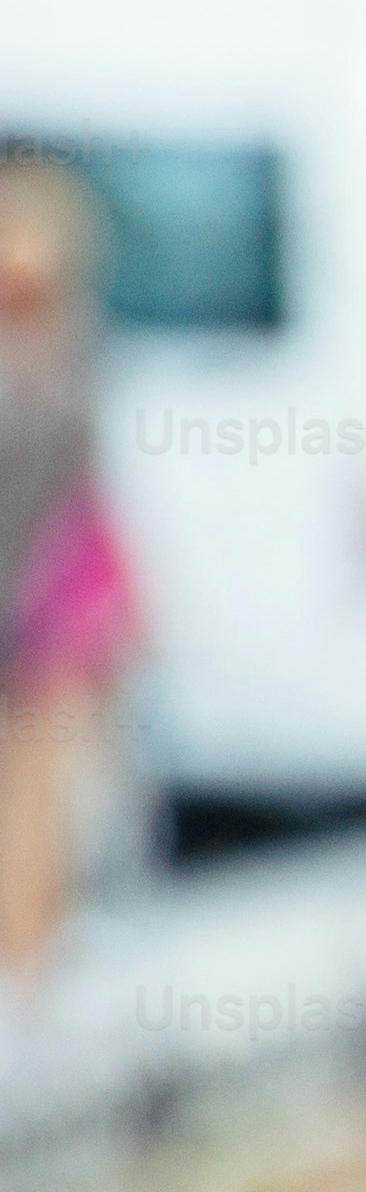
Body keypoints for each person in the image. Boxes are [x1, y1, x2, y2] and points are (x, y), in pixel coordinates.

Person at [0, 154, 144, 978]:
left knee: (34, 800)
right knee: (32, 802)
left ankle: (29, 967)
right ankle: (28, 971)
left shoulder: (63, 360)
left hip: (36, 617)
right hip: (38, 613)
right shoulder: (69, 358)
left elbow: (83, 497)